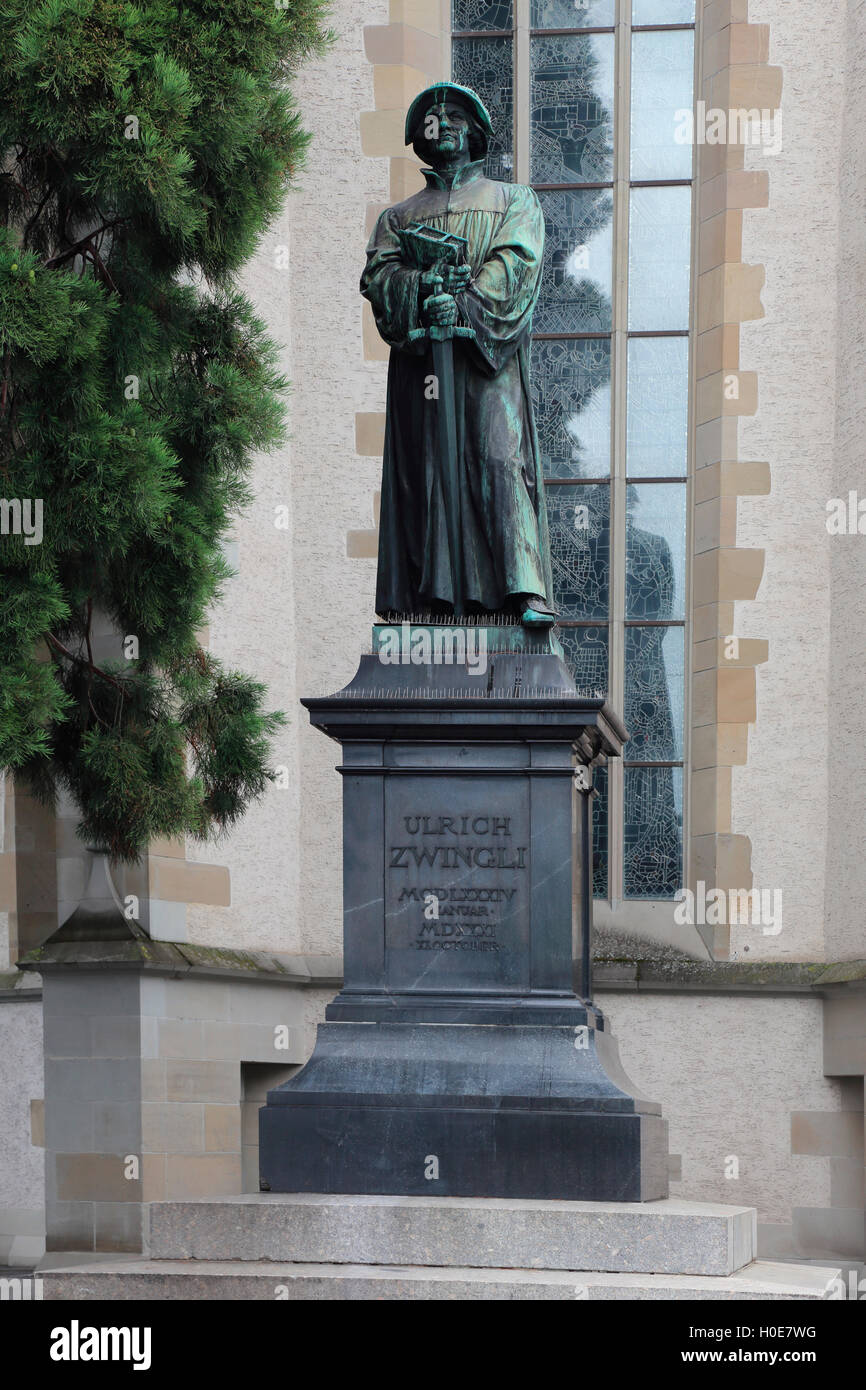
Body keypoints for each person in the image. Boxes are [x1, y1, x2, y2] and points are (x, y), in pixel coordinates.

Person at [361, 81, 556, 627]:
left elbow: (517, 261)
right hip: (425, 367)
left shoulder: (513, 200)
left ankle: (523, 591)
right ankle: (433, 602)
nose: (441, 125)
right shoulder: (397, 218)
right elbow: (380, 277)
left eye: (453, 117)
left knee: (499, 457)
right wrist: (423, 288)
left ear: (474, 130)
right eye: (430, 119)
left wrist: (464, 304)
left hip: (485, 362)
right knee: (426, 473)